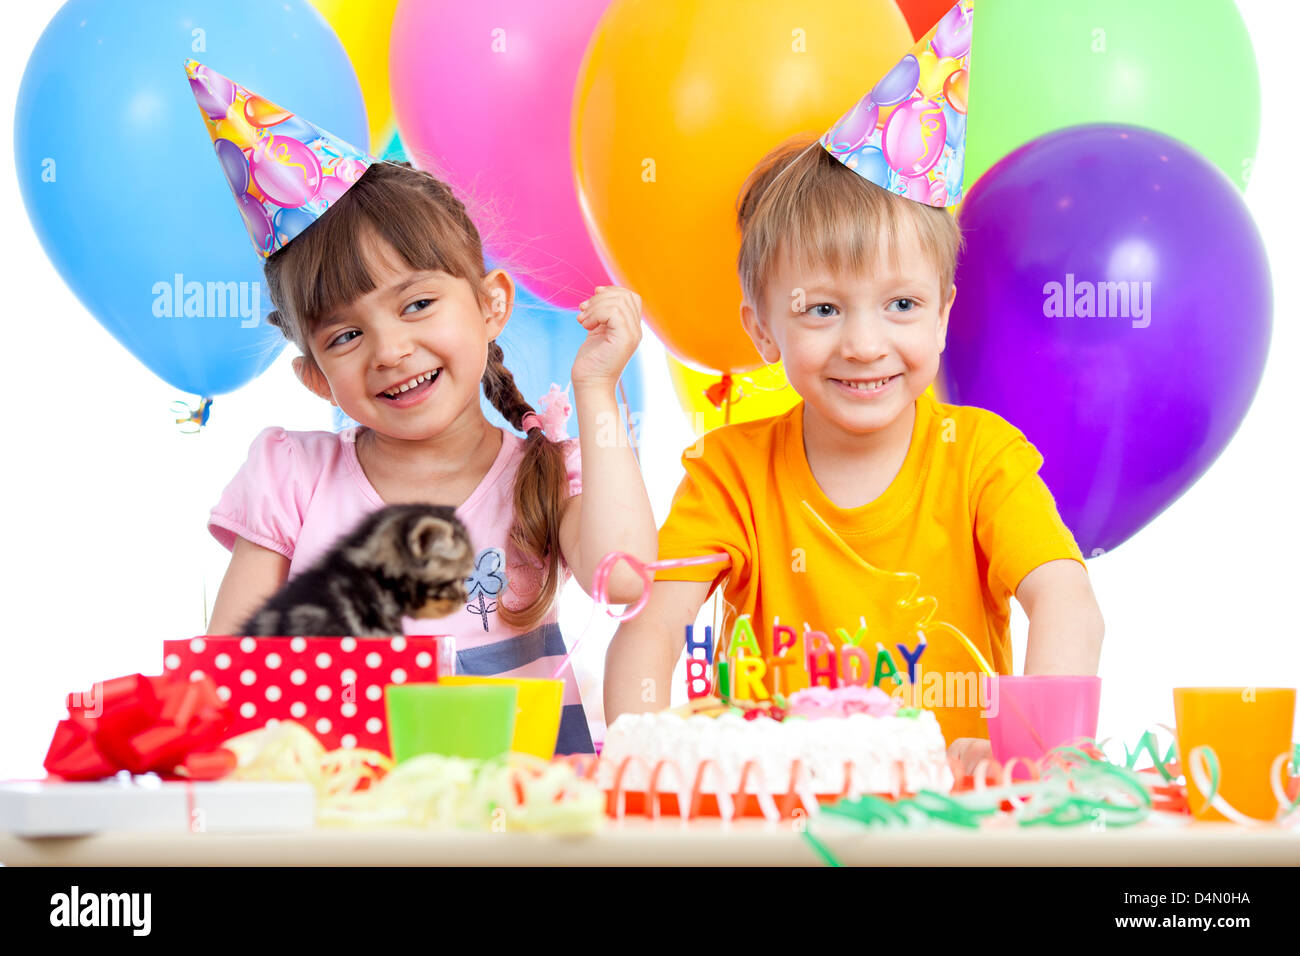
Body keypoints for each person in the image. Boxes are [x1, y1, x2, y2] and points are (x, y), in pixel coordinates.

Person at [188, 63, 655, 755]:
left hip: (524, 813)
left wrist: (594, 388)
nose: (390, 349)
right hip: (351, 813)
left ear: (492, 303)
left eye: (416, 304)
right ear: (316, 377)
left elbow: (622, 578)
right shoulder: (294, 477)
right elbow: (232, 676)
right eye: (347, 335)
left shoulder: (545, 469)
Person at [603, 132, 1104, 772]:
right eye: (822, 309)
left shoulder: (982, 459)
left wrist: (1031, 752)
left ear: (943, 314)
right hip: (776, 824)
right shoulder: (730, 472)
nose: (865, 344)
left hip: (947, 824)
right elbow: (651, 625)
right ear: (761, 329)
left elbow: (1067, 603)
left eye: (901, 304)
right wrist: (637, 767)